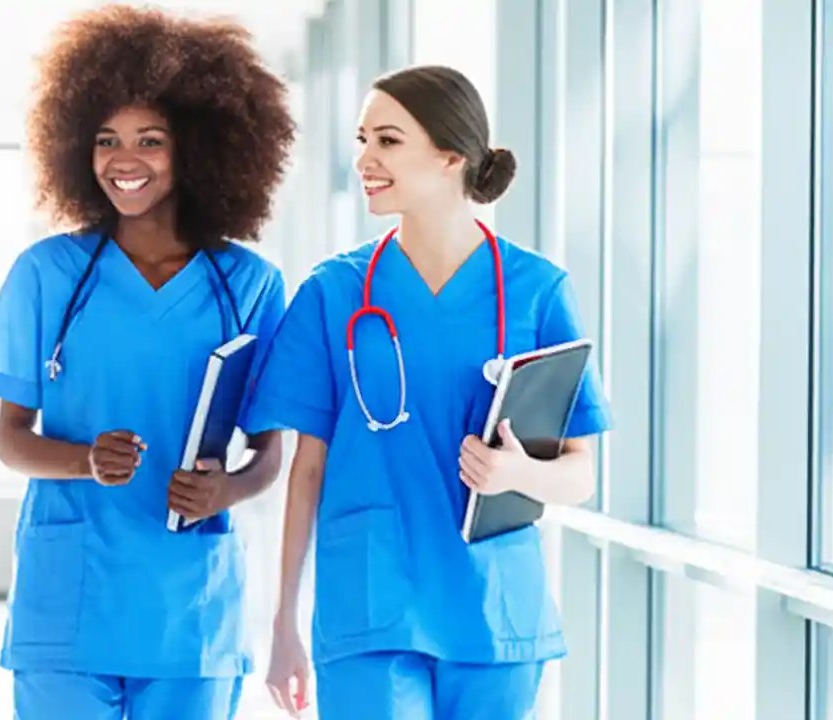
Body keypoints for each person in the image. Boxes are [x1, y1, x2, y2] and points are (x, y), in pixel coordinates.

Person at [252, 65, 613, 720]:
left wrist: (515, 471)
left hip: (494, 608)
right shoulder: (334, 293)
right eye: (363, 139)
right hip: (369, 604)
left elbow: (579, 475)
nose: (364, 159)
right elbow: (307, 470)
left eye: (387, 141)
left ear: (451, 155)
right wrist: (283, 623)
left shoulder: (537, 291)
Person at [0, 5, 295, 719]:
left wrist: (227, 492)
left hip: (192, 611)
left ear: (200, 150)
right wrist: (85, 459)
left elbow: (271, 450)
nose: (125, 160)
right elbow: (9, 438)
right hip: (68, 610)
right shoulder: (47, 275)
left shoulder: (250, 285)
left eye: (151, 140)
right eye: (107, 140)